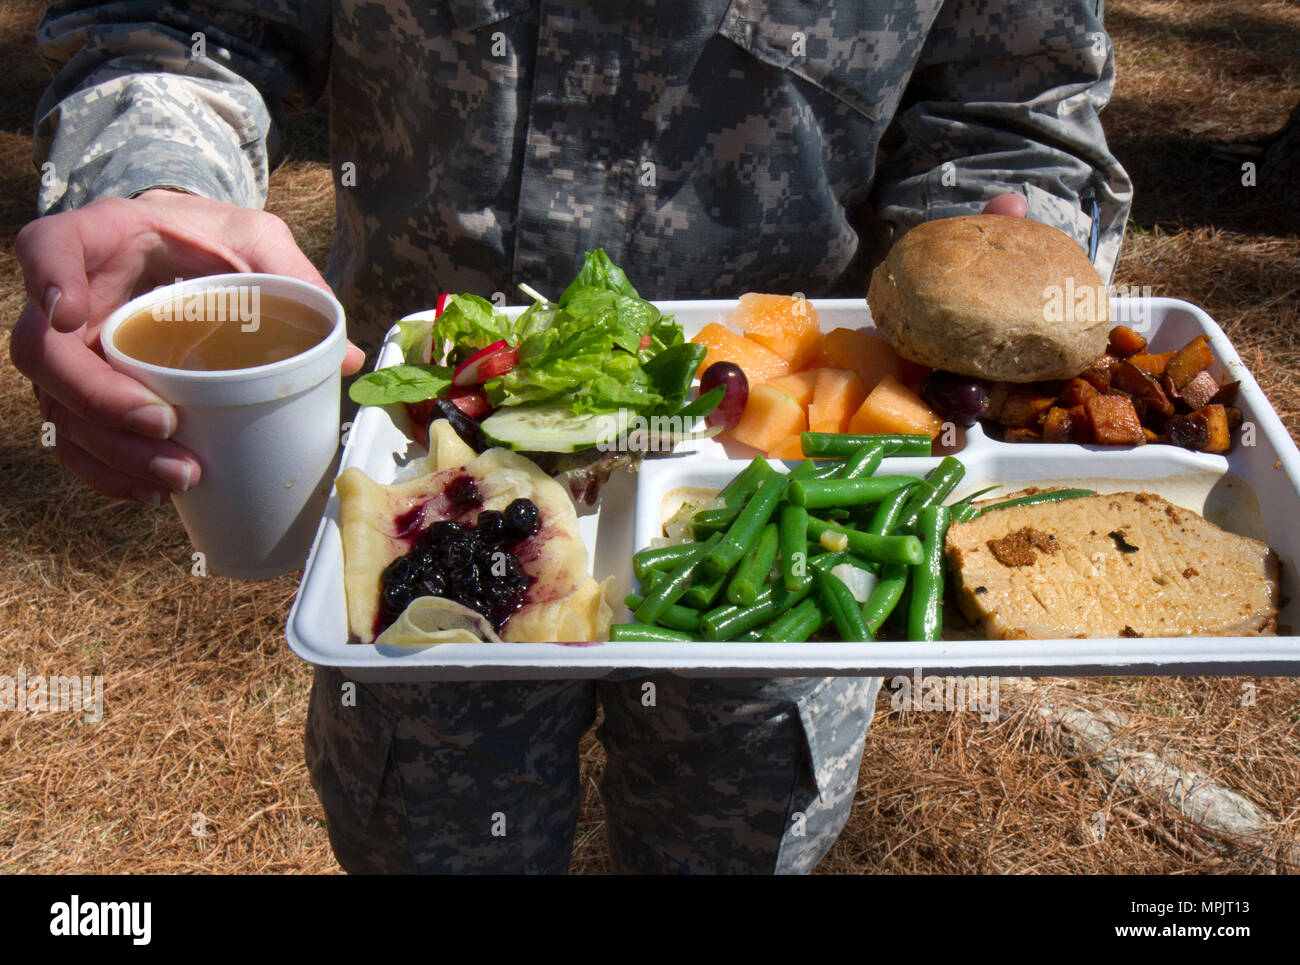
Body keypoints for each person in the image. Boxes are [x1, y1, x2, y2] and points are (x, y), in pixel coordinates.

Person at [11, 0, 1132, 873]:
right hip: (424, 496)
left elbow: (1012, 108)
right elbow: (180, 29)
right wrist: (154, 181)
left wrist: (997, 263)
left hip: (772, 513)